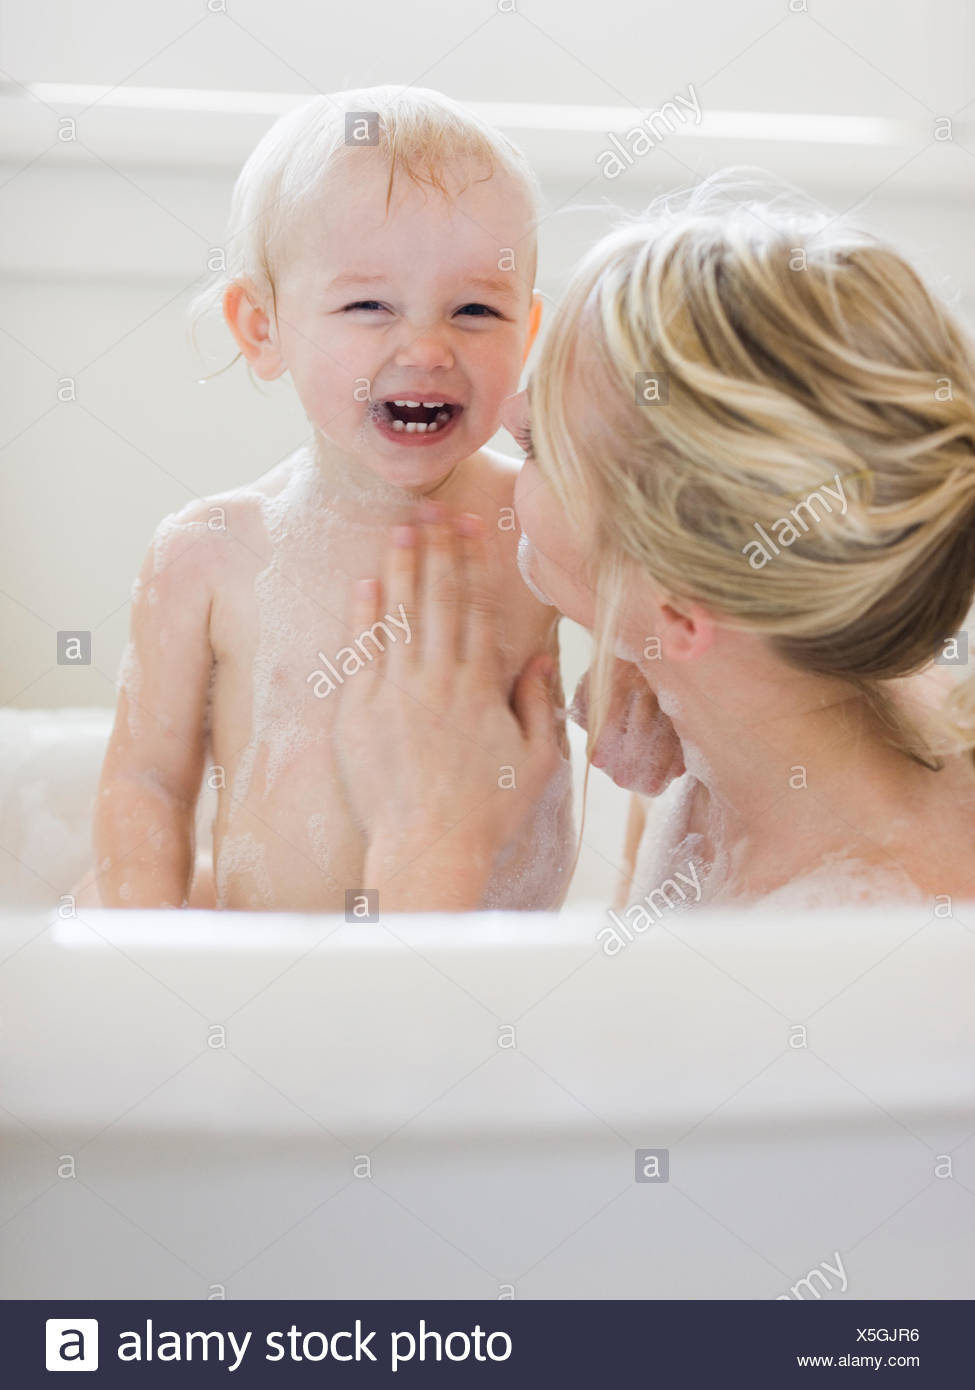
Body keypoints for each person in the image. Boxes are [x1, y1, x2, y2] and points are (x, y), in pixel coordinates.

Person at [334, 173, 975, 913]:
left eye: (541, 442)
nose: (503, 415)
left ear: (685, 609)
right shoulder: (790, 707)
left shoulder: (875, 928)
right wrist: (658, 661)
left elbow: (381, 1033)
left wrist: (427, 836)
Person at [74, 86, 575, 912]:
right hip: (273, 987)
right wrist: (145, 961)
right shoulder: (210, 551)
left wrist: (636, 688)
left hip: (487, 984)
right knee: (92, 905)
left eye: (477, 309)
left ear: (526, 334)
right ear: (262, 329)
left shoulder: (539, 518)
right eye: (368, 305)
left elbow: (657, 615)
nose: (425, 345)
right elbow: (146, 784)